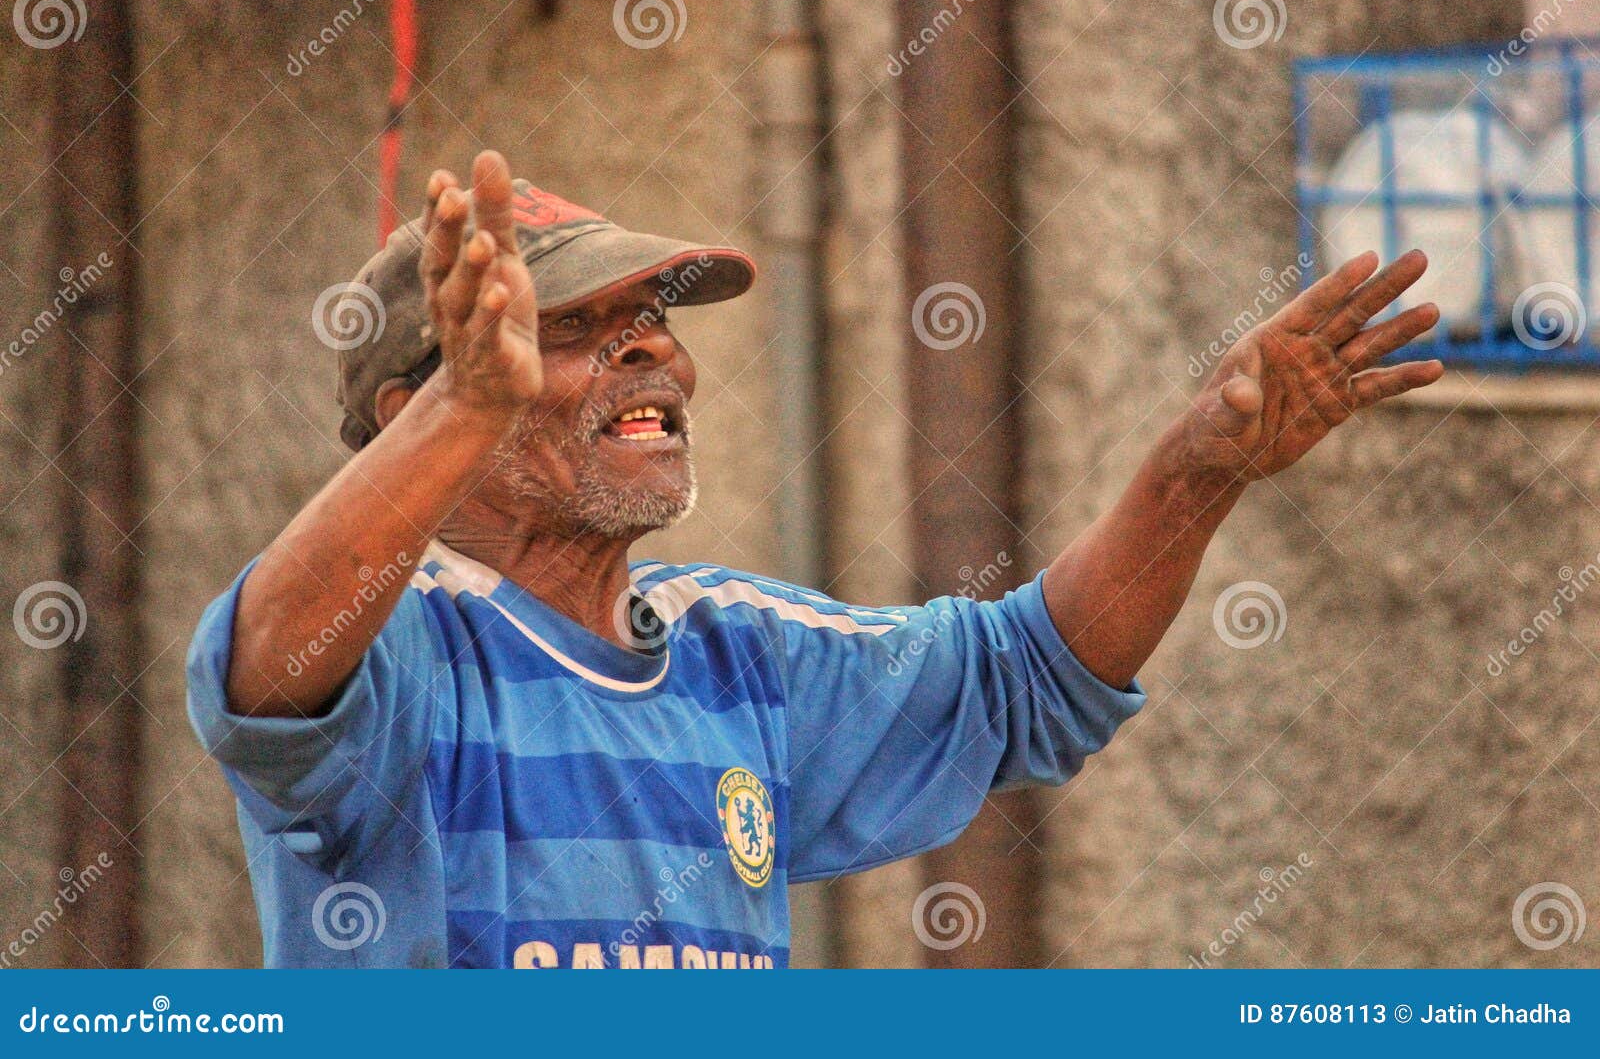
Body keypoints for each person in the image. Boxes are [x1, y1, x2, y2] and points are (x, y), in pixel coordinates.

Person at [186, 150, 1443, 968]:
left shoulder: (743, 651)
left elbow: (1029, 677)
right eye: (570, 329)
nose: (655, 355)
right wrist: (467, 411)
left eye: (654, 322)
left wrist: (1195, 468)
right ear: (417, 404)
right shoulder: (403, 647)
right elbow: (263, 670)